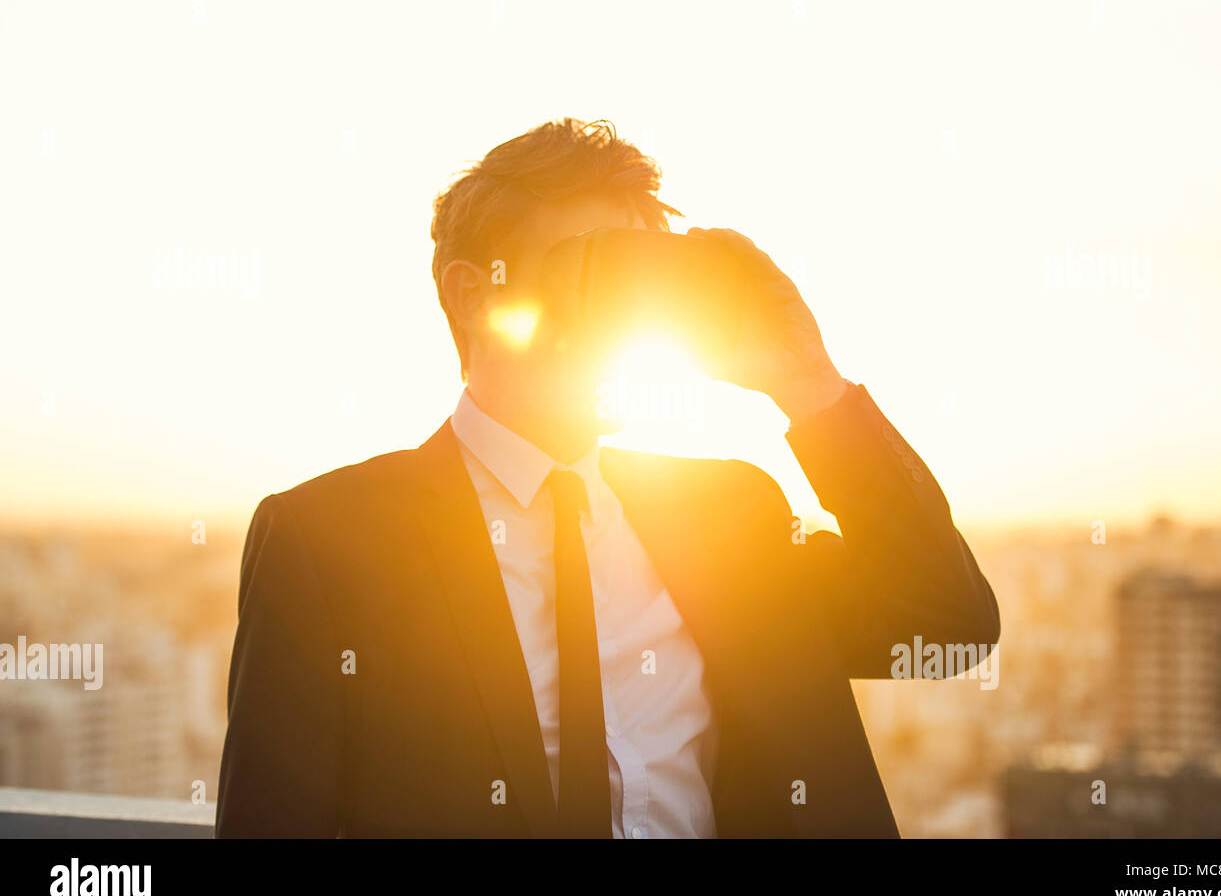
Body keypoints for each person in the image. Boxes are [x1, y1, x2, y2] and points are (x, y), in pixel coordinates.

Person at [215, 118, 999, 838]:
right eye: (592, 268)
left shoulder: (729, 515)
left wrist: (810, 384)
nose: (621, 310)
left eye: (642, 278)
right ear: (471, 292)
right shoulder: (328, 544)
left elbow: (946, 624)